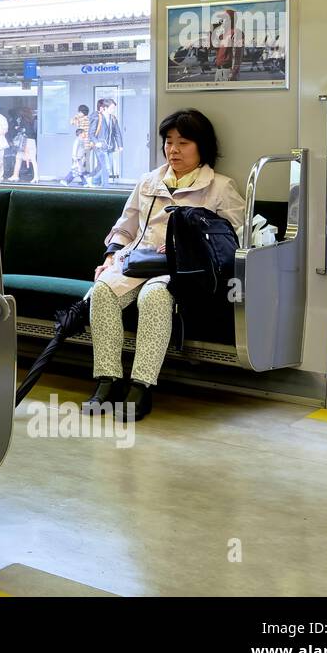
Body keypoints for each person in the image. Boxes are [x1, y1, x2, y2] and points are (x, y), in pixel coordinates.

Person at [83, 109, 245, 421]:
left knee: (154, 297)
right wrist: (109, 258)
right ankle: (107, 380)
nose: (173, 150)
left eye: (183, 143)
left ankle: (140, 387)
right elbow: (125, 226)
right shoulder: (148, 182)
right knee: (102, 291)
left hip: (180, 270)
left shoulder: (220, 187)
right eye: (169, 142)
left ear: (202, 146)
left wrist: (189, 245)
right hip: (138, 261)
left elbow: (233, 238)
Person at [88, 98, 122, 186]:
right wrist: (96, 143)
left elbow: (117, 132)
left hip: (110, 146)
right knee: (106, 167)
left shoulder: (113, 118)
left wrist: (120, 145)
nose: (113, 110)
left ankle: (94, 180)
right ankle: (105, 186)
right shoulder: (97, 117)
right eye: (112, 108)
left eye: (114, 108)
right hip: (100, 147)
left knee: (107, 167)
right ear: (105, 108)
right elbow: (91, 133)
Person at [211, 8, 244, 83]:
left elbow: (238, 54)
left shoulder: (237, 32)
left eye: (224, 18)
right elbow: (213, 47)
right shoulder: (222, 34)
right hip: (219, 70)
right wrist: (213, 30)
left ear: (231, 20)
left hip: (228, 71)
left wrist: (234, 71)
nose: (222, 21)